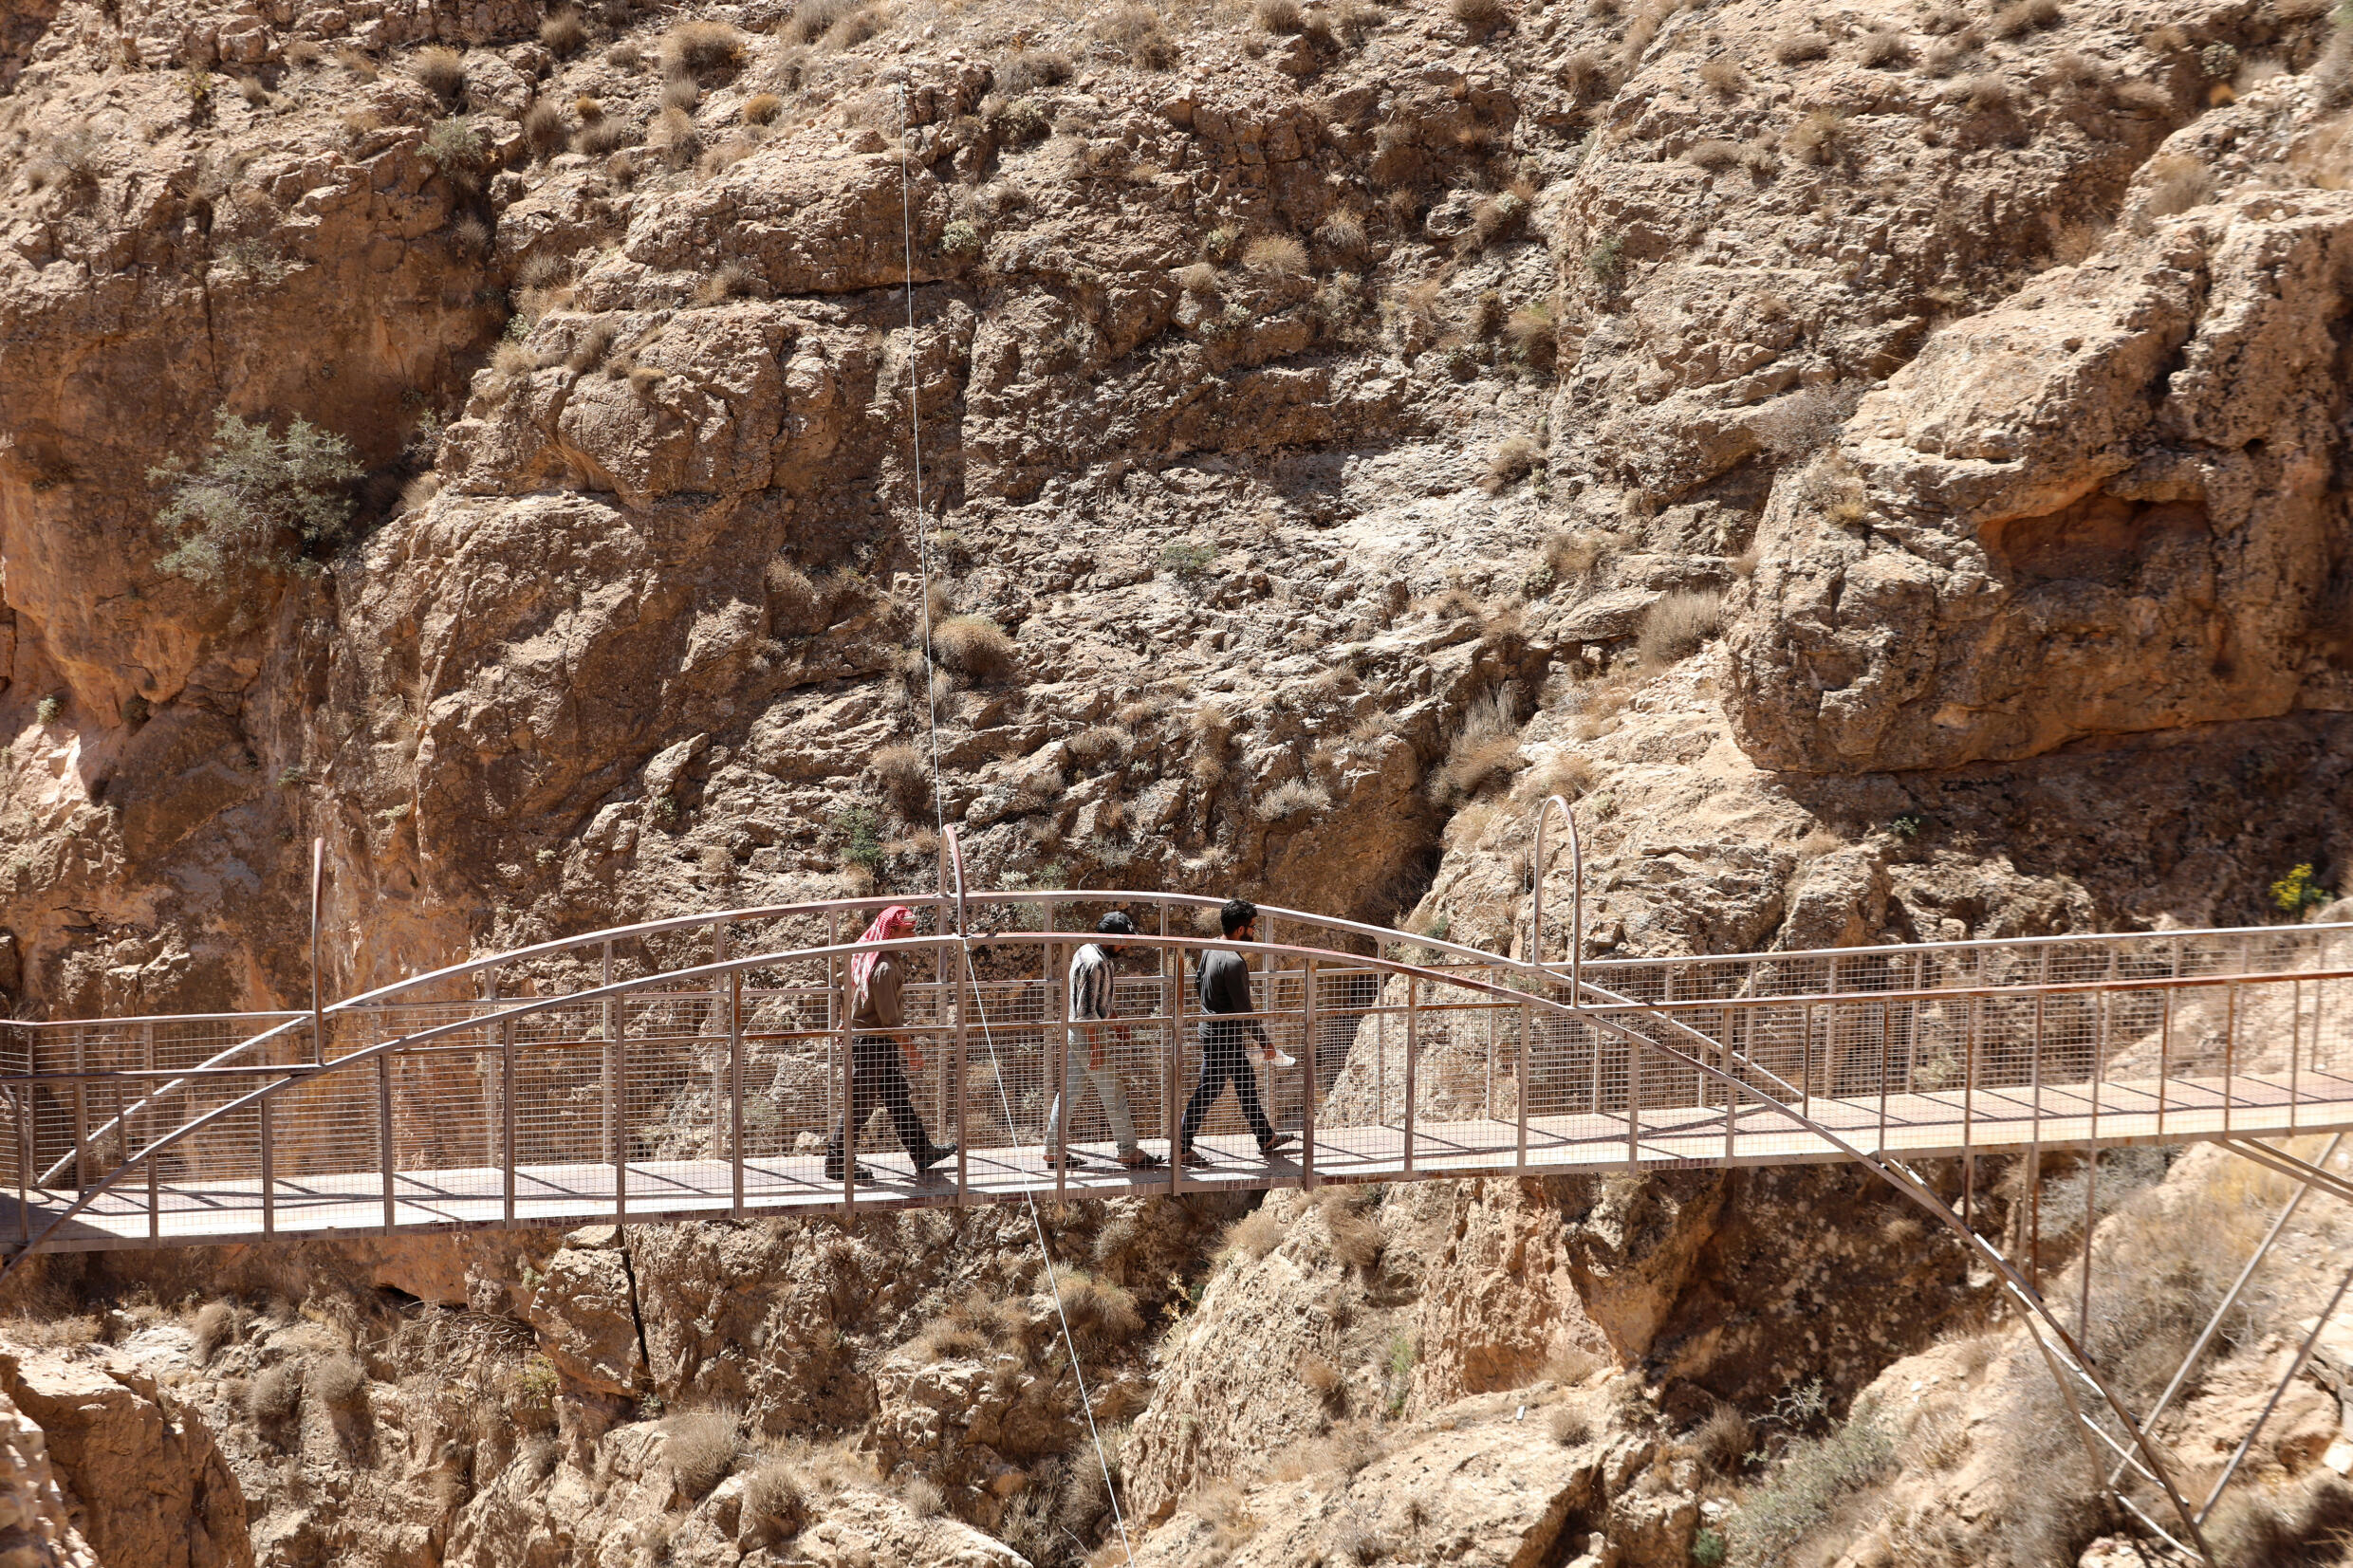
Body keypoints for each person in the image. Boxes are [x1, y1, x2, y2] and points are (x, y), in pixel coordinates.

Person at [824, 904, 956, 1183]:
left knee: (896, 1097)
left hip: (874, 1041)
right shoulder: (884, 966)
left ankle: (922, 1152)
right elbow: (889, 1021)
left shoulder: (875, 957)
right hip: (872, 1044)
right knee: (859, 1105)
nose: (912, 935)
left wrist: (846, 1020)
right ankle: (836, 1162)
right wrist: (910, 1049)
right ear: (891, 931)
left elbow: (851, 991)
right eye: (907, 931)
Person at [1177, 897, 1297, 1168]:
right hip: (1224, 1037)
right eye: (1253, 927)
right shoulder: (1233, 962)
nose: (1254, 932)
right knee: (1210, 1089)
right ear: (1241, 929)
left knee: (1245, 1084)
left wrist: (1212, 1008)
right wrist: (1266, 1044)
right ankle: (1181, 1145)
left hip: (1213, 1031)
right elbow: (1245, 1011)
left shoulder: (1211, 947)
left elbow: (1198, 983)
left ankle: (1265, 1136)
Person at [1045, 913, 1166, 1171]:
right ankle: (1128, 1151)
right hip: (1088, 1037)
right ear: (1111, 938)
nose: (1127, 945)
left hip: (1078, 1035)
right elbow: (1086, 1010)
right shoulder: (1095, 963)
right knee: (1114, 1093)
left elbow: (1100, 1002)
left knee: (1067, 1095)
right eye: (1124, 940)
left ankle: (1053, 1152)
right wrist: (1096, 1046)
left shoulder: (1088, 952)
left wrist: (1116, 1022)